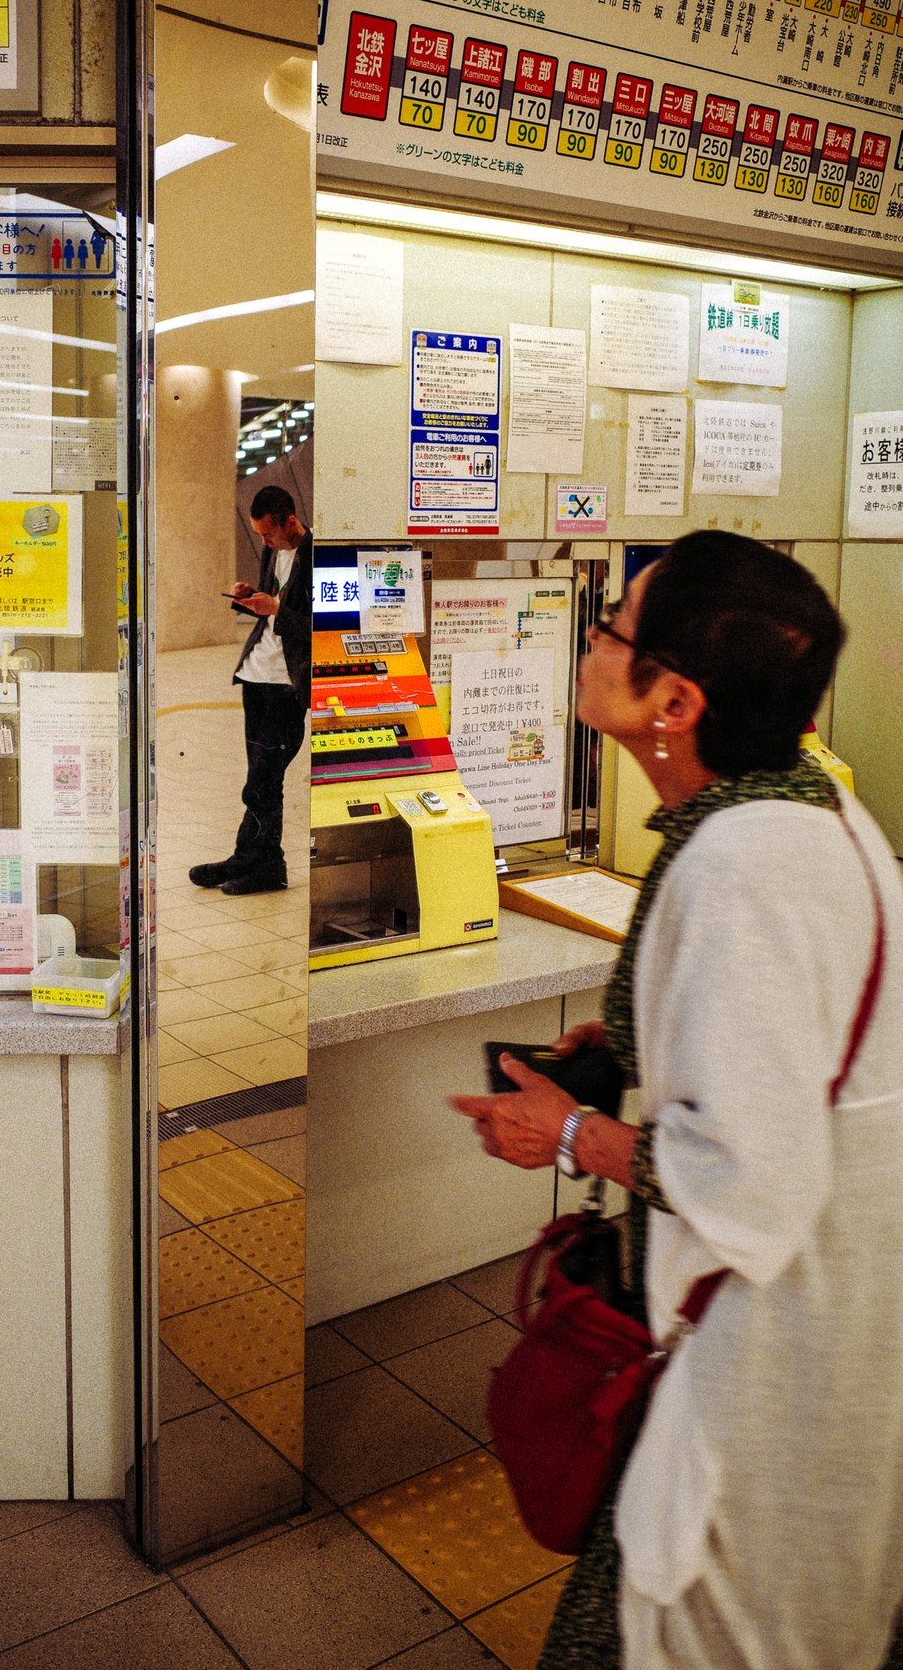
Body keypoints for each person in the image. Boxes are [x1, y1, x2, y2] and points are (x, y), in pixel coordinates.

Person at [450, 532, 903, 1670]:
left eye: (615, 626)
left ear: (674, 700)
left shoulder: (740, 865)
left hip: (762, 1357)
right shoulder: (798, 808)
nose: (592, 637)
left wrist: (562, 1131)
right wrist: (638, 1037)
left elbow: (750, 1174)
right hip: (827, 1327)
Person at [190, 484, 312, 896]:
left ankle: (257, 861)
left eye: (267, 533)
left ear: (290, 522)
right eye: (259, 535)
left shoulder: (318, 558)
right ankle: (257, 860)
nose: (263, 541)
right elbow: (268, 611)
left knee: (261, 778)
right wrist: (249, 599)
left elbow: (324, 628)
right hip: (256, 678)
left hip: (287, 685)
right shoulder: (272, 553)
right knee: (261, 777)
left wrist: (277, 608)